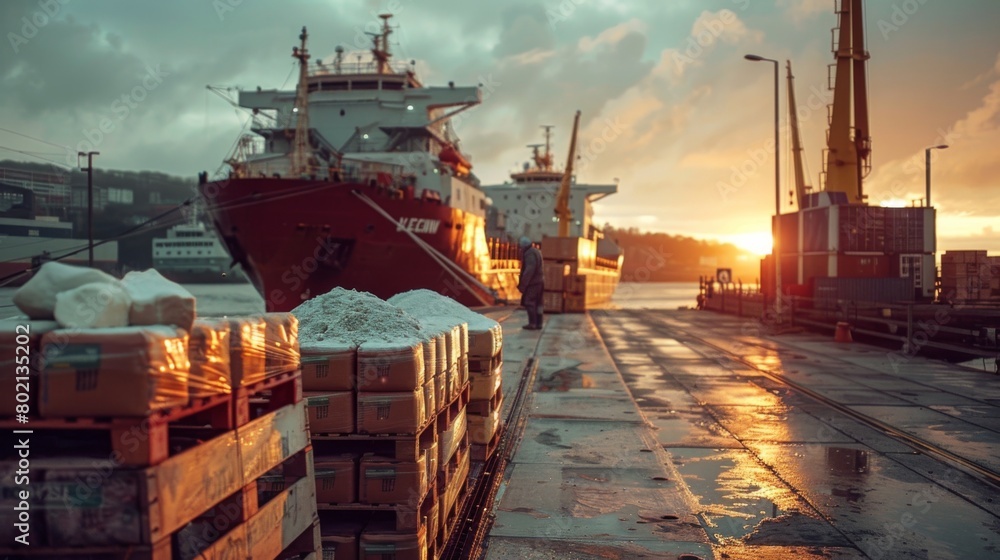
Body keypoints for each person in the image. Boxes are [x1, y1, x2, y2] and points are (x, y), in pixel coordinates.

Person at [518, 236, 544, 330]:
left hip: (533, 283)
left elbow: (529, 270)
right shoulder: (536, 251)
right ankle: (539, 323)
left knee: (530, 303)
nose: (520, 248)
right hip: (539, 281)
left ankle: (532, 323)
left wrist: (523, 284)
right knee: (538, 304)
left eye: (521, 246)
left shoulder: (529, 253)